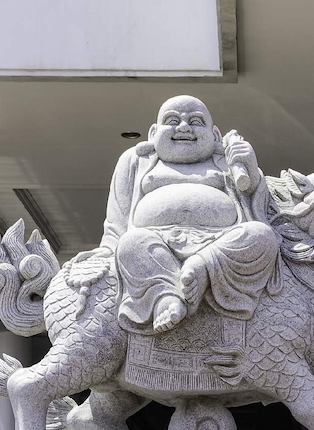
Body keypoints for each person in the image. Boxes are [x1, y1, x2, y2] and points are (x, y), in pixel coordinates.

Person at [75, 95, 281, 334]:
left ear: (215, 136)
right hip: (154, 243)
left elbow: (256, 208)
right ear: (154, 133)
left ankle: (203, 267)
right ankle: (166, 296)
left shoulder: (225, 161)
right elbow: (117, 218)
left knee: (261, 235)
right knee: (130, 243)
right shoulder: (136, 161)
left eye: (195, 121)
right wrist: (109, 248)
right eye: (173, 120)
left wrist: (251, 172)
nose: (184, 127)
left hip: (220, 246)